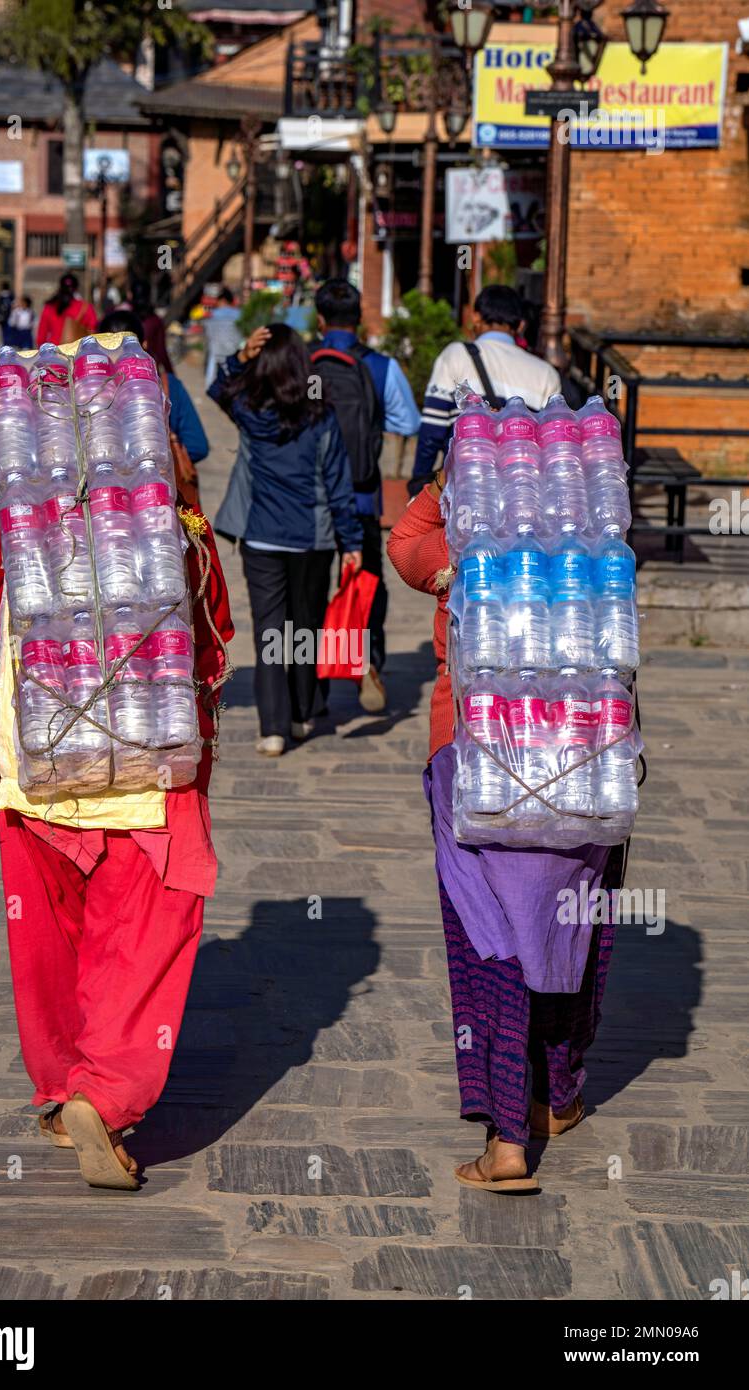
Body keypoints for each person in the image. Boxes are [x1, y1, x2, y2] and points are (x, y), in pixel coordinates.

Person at [0, 487, 235, 1192]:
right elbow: (212, 629)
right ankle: (102, 1097)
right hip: (149, 778)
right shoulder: (167, 521)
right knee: (143, 941)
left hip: (39, 773)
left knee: (51, 942)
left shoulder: (11, 520)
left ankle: (62, 1088)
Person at [387, 469, 623, 1193]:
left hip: (475, 747)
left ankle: (506, 1140)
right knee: (570, 926)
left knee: (487, 937)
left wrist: (449, 542)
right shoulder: (594, 491)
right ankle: (557, 1095)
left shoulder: (469, 480)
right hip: (587, 749)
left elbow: (404, 541)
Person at [211, 324, 363, 756]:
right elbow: (338, 483)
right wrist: (351, 541)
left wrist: (240, 355)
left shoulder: (250, 409)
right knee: (304, 628)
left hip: (262, 537)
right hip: (312, 541)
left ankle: (273, 728)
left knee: (270, 631)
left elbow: (217, 388)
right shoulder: (320, 413)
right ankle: (300, 714)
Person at [311, 277, 421, 714]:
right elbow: (407, 423)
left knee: (314, 588)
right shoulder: (381, 367)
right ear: (360, 320)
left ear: (320, 320)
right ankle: (367, 665)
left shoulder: (306, 364)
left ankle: (313, 691)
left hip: (314, 499)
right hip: (361, 496)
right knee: (365, 584)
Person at [411, 285, 560, 489]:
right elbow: (551, 446)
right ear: (520, 325)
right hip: (521, 494)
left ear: (476, 317)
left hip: (466, 487)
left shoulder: (455, 355)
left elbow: (432, 430)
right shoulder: (546, 373)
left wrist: (418, 483)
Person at [96, 308, 209, 482]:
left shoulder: (87, 393)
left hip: (105, 496)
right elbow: (198, 446)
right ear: (144, 344)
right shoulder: (168, 385)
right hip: (158, 495)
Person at [36, 273, 98, 346]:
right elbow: (93, 331)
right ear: (76, 288)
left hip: (55, 352)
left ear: (60, 287)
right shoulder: (86, 307)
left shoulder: (49, 307)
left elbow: (41, 337)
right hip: (77, 352)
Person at [130, 286, 174, 375]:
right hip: (150, 372)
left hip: (127, 371)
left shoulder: (126, 319)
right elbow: (161, 351)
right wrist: (171, 374)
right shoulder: (155, 321)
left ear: (131, 295)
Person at [203, 287, 240, 389]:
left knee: (212, 355)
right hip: (233, 350)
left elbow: (208, 334)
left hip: (216, 350)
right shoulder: (239, 315)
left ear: (222, 301)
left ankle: (210, 384)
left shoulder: (212, 315)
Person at [0, 280, 15, 346]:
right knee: (9, 331)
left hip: (1, 317)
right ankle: (8, 344)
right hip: (9, 316)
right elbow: (14, 306)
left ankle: (4, 343)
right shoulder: (11, 296)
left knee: (3, 331)